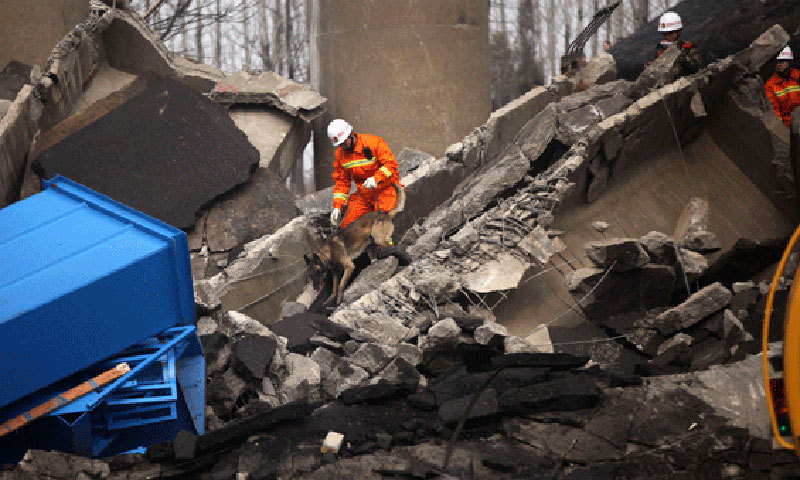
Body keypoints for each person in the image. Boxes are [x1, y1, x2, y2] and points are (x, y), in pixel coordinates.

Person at [327, 119, 400, 230]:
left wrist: (376, 179)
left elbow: (391, 165)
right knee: (348, 227)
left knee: (383, 225)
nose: (343, 147)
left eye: (344, 142)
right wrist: (337, 207)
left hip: (385, 190)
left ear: (351, 134)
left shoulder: (374, 143)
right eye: (340, 144)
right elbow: (342, 182)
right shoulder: (340, 154)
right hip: (364, 194)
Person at [652, 11, 702, 76]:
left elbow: (696, 66)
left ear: (679, 32)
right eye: (664, 34)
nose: (667, 36)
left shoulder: (688, 47)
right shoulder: (661, 50)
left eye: (670, 33)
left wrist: (679, 56)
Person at [765, 46, 800, 128]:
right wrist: (782, 129)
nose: (779, 64)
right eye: (777, 62)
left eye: (782, 61)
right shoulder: (770, 85)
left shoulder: (798, 76)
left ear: (788, 62)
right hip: (788, 126)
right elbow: (774, 110)